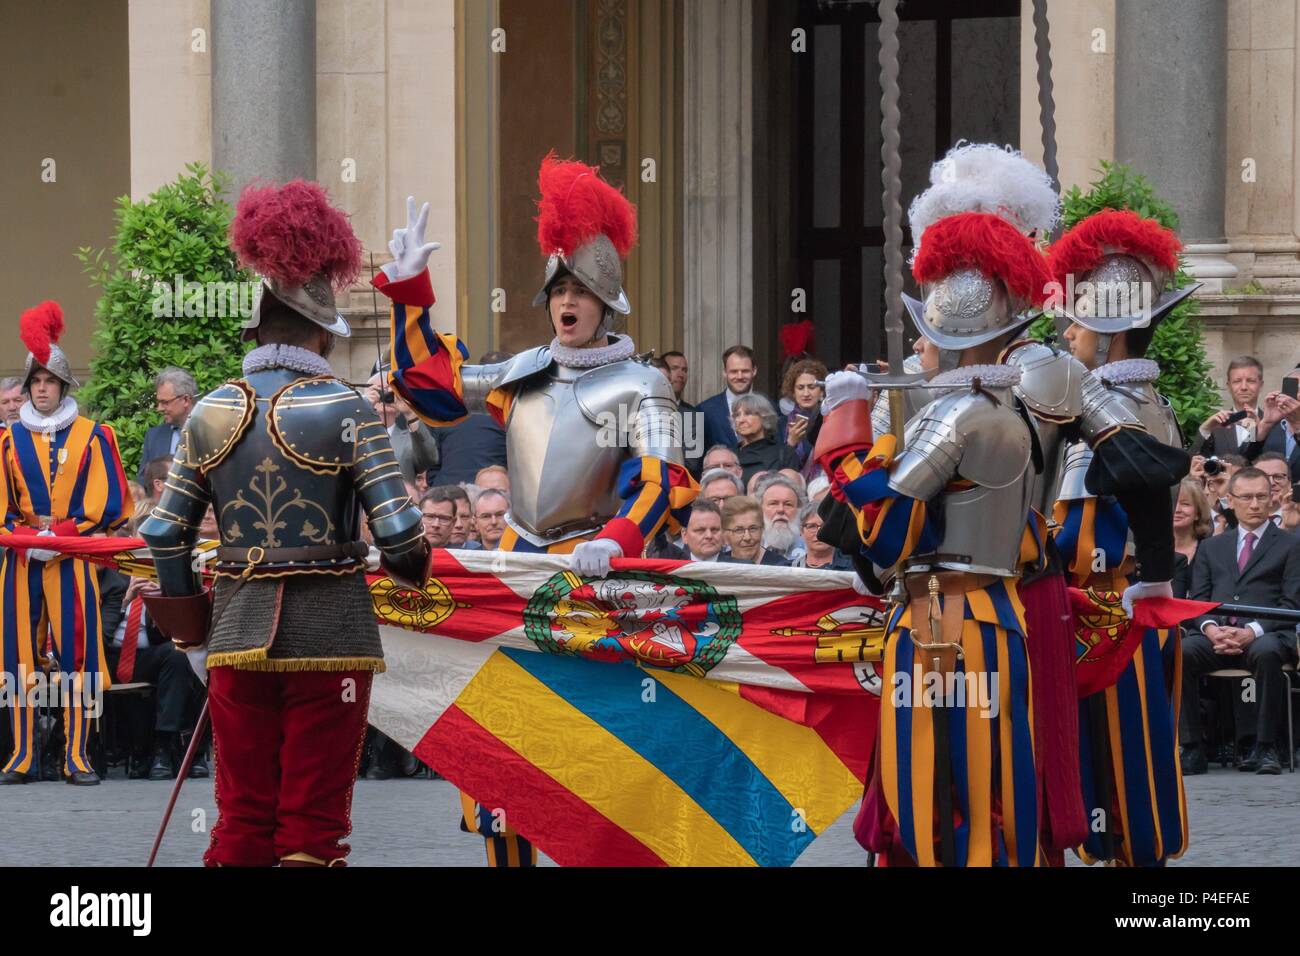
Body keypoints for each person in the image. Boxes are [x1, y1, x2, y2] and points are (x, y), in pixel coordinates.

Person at [376, 157, 697, 866]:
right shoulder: (523, 371)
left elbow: (661, 479)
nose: (567, 301)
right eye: (559, 288)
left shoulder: (641, 384)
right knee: (502, 750)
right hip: (513, 567)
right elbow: (431, 386)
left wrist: (615, 540)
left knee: (595, 756)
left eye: (581, 289)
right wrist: (409, 296)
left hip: (589, 572)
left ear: (606, 301)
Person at [139, 180, 429, 866]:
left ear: (256, 326)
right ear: (322, 332)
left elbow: (162, 533)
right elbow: (402, 542)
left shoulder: (208, 410)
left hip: (235, 633)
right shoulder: (350, 409)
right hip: (331, 632)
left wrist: (191, 634)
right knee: (312, 826)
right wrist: (410, 564)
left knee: (240, 819)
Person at [820, 211, 1049, 866]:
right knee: (994, 789)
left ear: (950, 339)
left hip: (938, 623)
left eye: (925, 335)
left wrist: (847, 429)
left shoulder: (953, 414)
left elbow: (888, 536)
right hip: (998, 616)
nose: (917, 348)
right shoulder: (1012, 409)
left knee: (928, 796)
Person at [1052, 207, 1198, 866]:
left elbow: (1082, 531)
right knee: (1137, 753)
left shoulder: (1103, 414)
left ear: (1106, 333)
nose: (1068, 332)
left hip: (1105, 612)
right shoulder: (1156, 400)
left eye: (1079, 321)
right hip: (1141, 604)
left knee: (1119, 755)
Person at [0, 301, 133, 785]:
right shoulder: (8, 440)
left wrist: (64, 537)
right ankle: (21, 754)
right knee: (16, 659)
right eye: (35, 382)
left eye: (49, 382)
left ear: (63, 386)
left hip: (74, 559)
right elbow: (1, 505)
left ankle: (76, 755)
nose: (41, 388)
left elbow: (111, 505)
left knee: (80, 655)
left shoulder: (95, 436)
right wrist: (26, 538)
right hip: (21, 560)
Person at [1182, 468, 1300, 776]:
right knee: (1179, 652)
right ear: (1231, 501)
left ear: (1272, 497)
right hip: (1216, 634)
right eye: (1246, 497)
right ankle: (1191, 747)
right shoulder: (1211, 546)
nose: (1255, 504)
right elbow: (1197, 602)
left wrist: (1251, 630)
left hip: (1266, 634)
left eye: (1262, 496)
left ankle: (1265, 746)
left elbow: (1292, 603)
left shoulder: (1290, 545)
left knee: (1267, 652)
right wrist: (1211, 629)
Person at [698, 346, 767, 451]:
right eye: (734, 371)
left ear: (754, 371)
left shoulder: (770, 408)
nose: (739, 376)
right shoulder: (702, 411)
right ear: (725, 372)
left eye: (745, 371)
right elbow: (694, 461)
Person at [137, 367, 196, 485]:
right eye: (159, 402)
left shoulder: (209, 433)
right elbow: (144, 483)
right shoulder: (153, 436)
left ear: (185, 400)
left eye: (165, 402)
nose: (159, 408)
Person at [1197, 356, 1264, 459]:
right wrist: (1204, 430)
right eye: (1237, 381)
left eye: (1250, 381)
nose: (1244, 387)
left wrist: (1255, 431)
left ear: (1261, 385)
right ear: (1229, 386)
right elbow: (1190, 463)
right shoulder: (1215, 426)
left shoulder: (1271, 424)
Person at [1241, 371, 1300, 479]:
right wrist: (1265, 424)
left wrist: (1297, 425)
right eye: (1295, 388)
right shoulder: (1270, 428)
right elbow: (1241, 462)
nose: (1298, 395)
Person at [733, 393, 800, 488]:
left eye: (748, 413)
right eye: (737, 415)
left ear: (764, 417)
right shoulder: (730, 456)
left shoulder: (784, 453)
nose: (740, 420)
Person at [780, 358, 827, 481]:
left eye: (812, 387)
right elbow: (781, 468)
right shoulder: (781, 424)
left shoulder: (830, 421)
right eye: (800, 388)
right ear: (793, 392)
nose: (806, 393)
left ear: (822, 391)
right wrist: (791, 443)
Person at [718, 495, 788, 566]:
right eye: (739, 530)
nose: (747, 537)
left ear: (762, 530)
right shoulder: (717, 567)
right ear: (724, 535)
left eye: (753, 529)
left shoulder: (781, 567)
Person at [1172, 478, 1214, 598]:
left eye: (1185, 504)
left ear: (1197, 513)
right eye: (1173, 503)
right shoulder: (1153, 549)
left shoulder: (1210, 549)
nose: (1177, 510)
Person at [791, 502, 852, 570]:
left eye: (825, 526)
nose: (819, 533)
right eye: (812, 526)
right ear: (801, 531)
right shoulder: (789, 570)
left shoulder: (854, 569)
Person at [756, 474, 804, 560]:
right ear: (760, 509)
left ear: (798, 510)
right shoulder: (748, 547)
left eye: (788, 504)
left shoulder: (810, 551)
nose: (781, 510)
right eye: (773, 503)